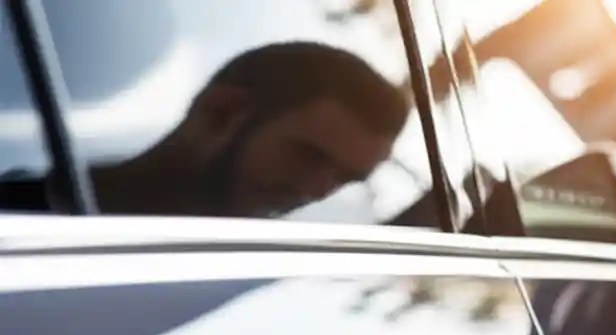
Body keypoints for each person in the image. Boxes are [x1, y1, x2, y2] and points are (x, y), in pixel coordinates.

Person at [4, 41, 408, 218]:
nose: (319, 191)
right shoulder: (22, 211)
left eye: (345, 179)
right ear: (223, 111)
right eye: (311, 156)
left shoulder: (253, 285)